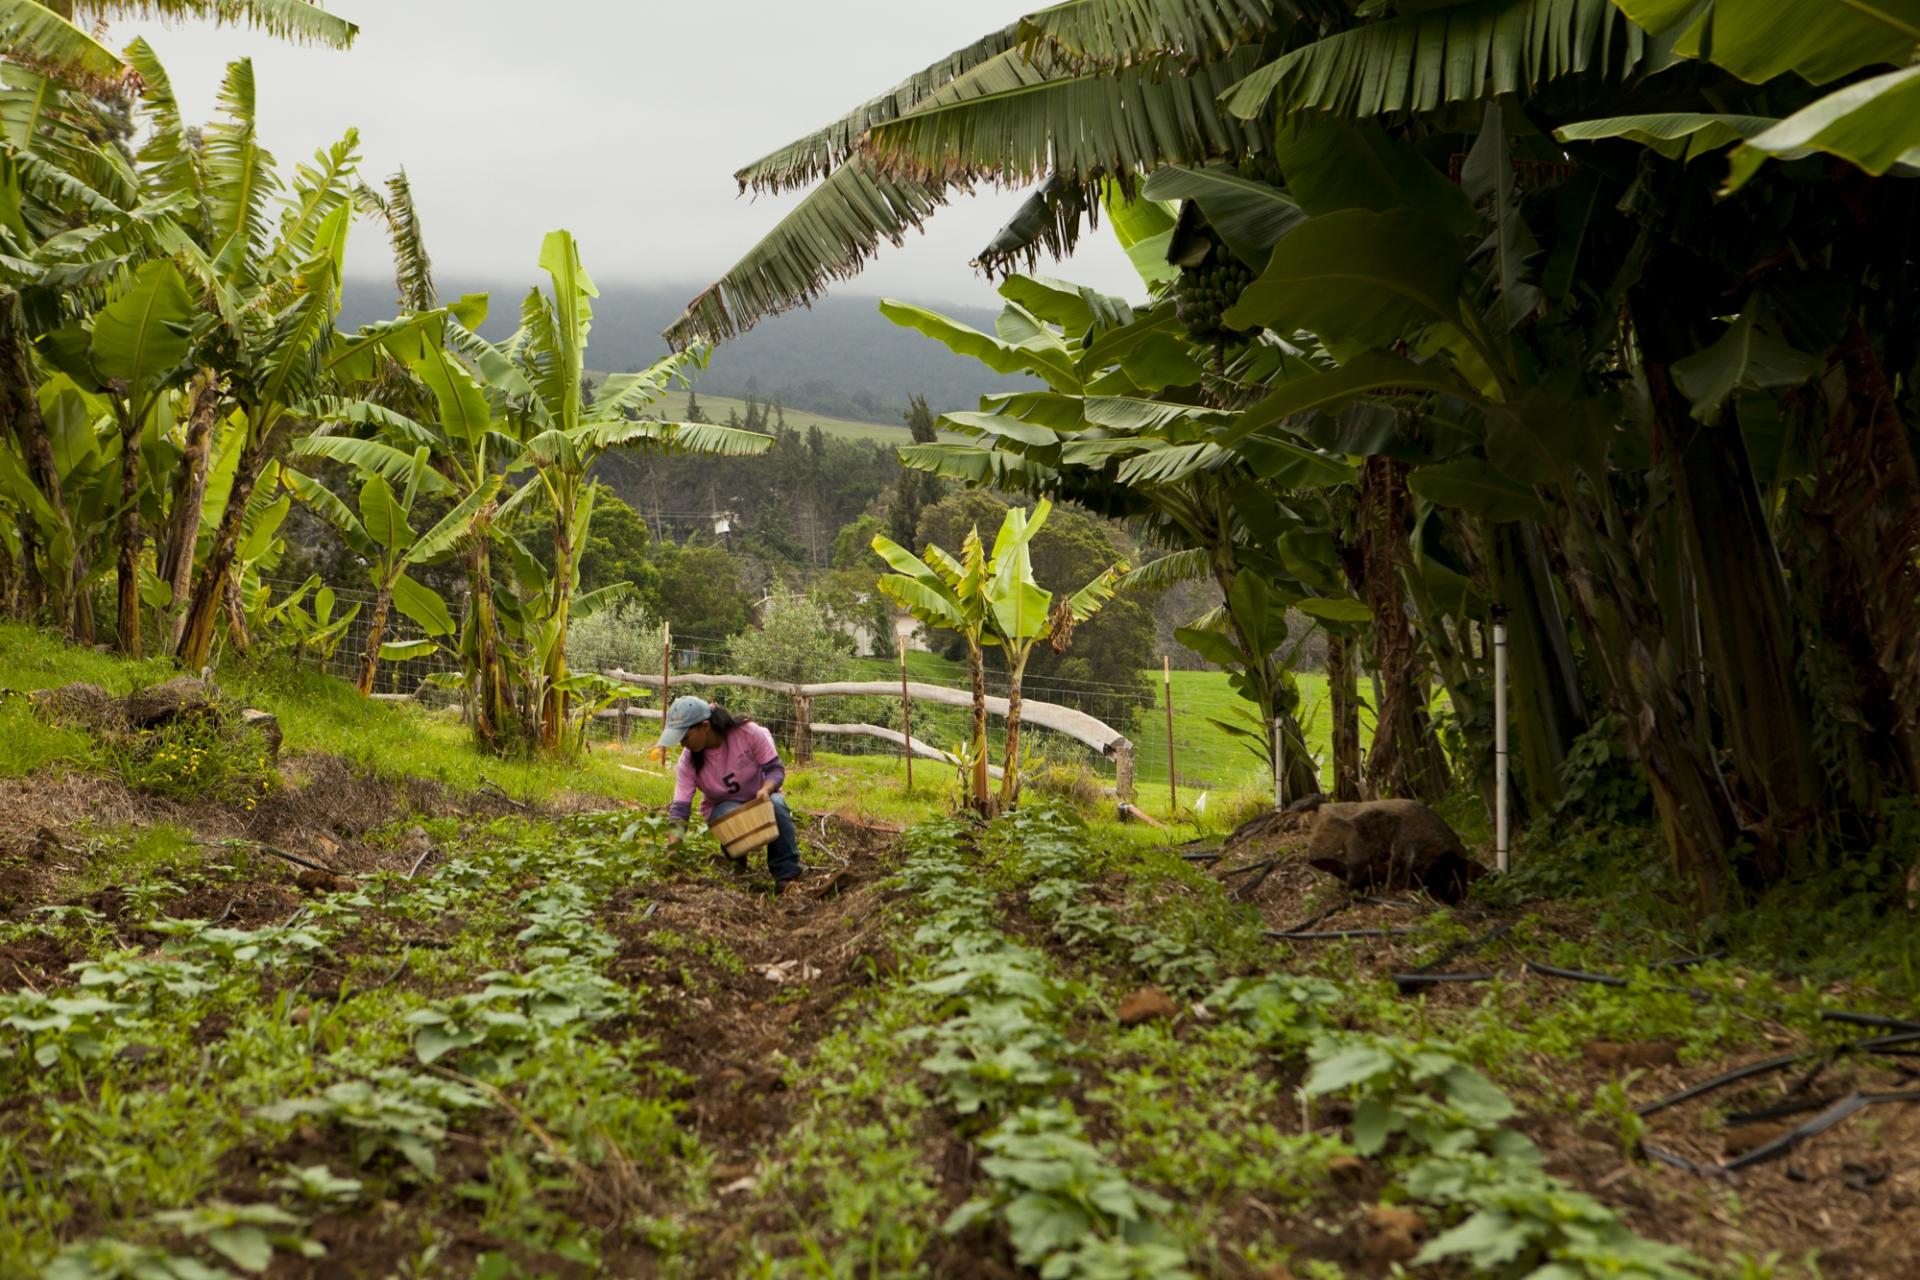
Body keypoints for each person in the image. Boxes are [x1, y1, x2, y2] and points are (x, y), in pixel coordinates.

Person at [658, 695, 806, 893]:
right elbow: (680, 809)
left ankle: (786, 875)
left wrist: (766, 789)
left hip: (760, 798)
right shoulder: (688, 762)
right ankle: (737, 862)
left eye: (685, 737)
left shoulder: (748, 733)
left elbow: (775, 770)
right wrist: (672, 851)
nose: (682, 744)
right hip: (723, 808)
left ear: (705, 726)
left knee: (777, 805)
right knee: (730, 813)